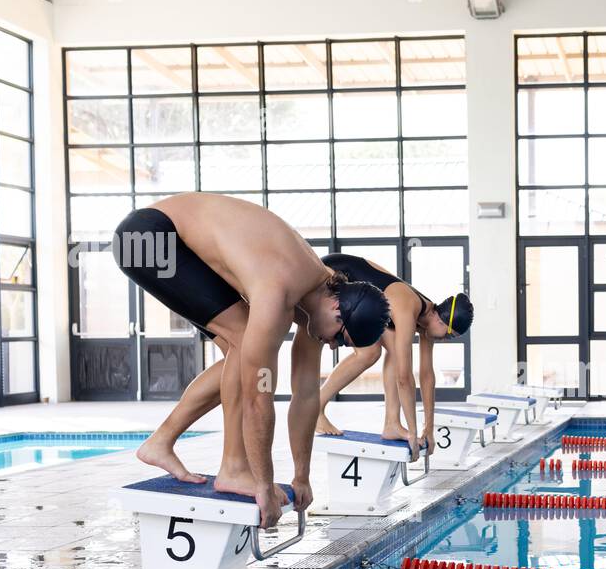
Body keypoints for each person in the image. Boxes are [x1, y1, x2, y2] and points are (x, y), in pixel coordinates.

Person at [110, 193, 390, 528]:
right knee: (243, 341)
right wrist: (262, 485)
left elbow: (304, 394)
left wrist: (302, 476)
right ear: (337, 310)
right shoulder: (280, 290)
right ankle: (233, 469)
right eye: (339, 340)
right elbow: (259, 398)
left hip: (160, 238)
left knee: (239, 346)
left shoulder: (314, 296)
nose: (332, 347)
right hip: (146, 237)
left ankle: (162, 442)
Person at [315, 254, 473, 461]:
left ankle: (392, 424)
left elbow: (427, 376)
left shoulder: (427, 321)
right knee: (369, 352)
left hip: (363, 288)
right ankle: (315, 407)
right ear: (441, 320)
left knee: (394, 354)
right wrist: (414, 432)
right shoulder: (409, 308)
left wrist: (429, 428)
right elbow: (404, 378)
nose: (446, 340)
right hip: (336, 272)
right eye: (449, 335)